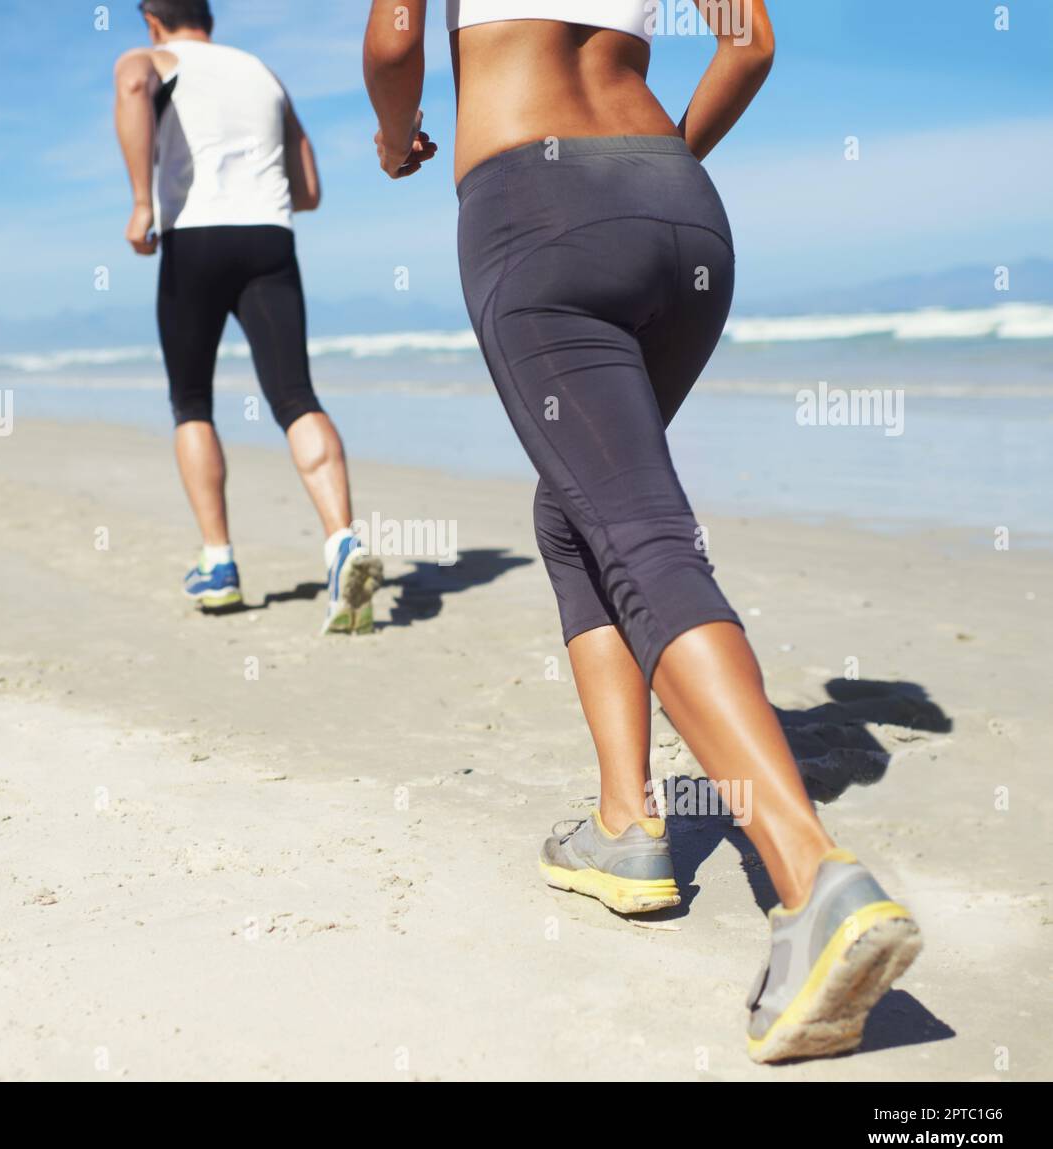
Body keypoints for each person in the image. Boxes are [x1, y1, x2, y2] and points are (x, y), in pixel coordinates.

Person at [362, 0, 922, 1063]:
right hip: (677, 205)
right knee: (577, 506)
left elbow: (393, 42)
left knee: (638, 531)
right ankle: (628, 825)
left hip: (534, 204)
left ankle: (811, 875)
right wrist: (645, 172)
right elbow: (748, 42)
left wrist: (397, 140)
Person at [114, 0, 382, 633]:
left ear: (153, 20)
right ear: (207, 15)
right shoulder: (263, 71)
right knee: (294, 395)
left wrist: (140, 202)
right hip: (269, 238)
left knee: (192, 402)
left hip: (196, 241)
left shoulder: (148, 57)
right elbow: (309, 189)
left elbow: (131, 87)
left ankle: (219, 565)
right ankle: (342, 541)